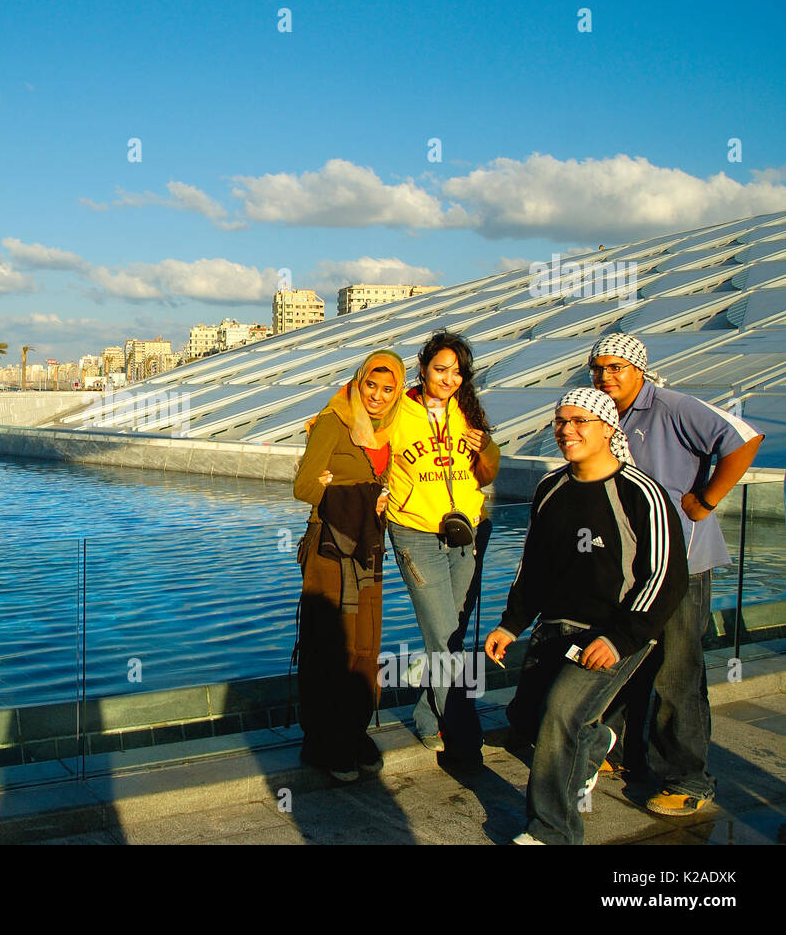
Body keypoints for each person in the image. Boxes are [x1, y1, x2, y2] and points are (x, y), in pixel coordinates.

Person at [487, 388, 687, 845]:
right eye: (560, 422)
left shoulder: (641, 493)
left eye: (579, 422)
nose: (567, 431)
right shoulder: (551, 488)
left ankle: (550, 832)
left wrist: (620, 638)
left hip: (611, 633)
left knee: (561, 715)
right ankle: (596, 742)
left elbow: (665, 576)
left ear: (607, 428)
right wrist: (510, 623)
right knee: (529, 719)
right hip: (557, 628)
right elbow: (533, 566)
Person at [589, 333, 763, 815]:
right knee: (631, 658)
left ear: (639, 370)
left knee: (677, 671)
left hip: (680, 562)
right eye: (599, 368)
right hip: (634, 563)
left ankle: (688, 778)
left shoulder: (671, 405)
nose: (606, 377)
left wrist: (705, 500)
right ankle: (622, 754)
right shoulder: (606, 416)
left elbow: (746, 440)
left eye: (616, 368)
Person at [386, 332, 500, 769]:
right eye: (441, 369)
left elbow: (489, 471)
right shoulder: (398, 410)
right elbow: (365, 442)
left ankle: (426, 716)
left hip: (466, 532)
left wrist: (484, 447)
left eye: (457, 371)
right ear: (422, 369)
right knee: (443, 636)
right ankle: (462, 727)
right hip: (415, 533)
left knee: (451, 631)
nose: (449, 379)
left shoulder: (466, 411)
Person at [293, 349, 406, 779]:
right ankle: (321, 740)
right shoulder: (334, 420)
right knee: (326, 644)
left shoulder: (393, 428)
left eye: (387, 388)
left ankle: (354, 730)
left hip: (367, 547)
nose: (377, 396)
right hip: (329, 547)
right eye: (370, 385)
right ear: (358, 383)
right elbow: (304, 486)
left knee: (365, 642)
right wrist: (351, 492)